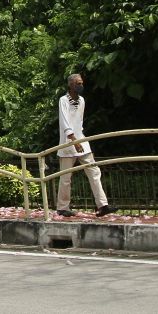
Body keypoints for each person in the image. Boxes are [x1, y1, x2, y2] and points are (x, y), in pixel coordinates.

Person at [55, 73, 116, 217]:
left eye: (81, 83)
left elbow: (79, 122)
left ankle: (102, 205)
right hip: (68, 142)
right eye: (78, 83)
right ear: (70, 85)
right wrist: (73, 140)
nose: (80, 86)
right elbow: (65, 122)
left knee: (94, 171)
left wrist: (79, 140)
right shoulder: (63, 100)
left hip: (81, 140)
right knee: (65, 178)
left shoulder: (81, 100)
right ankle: (62, 207)